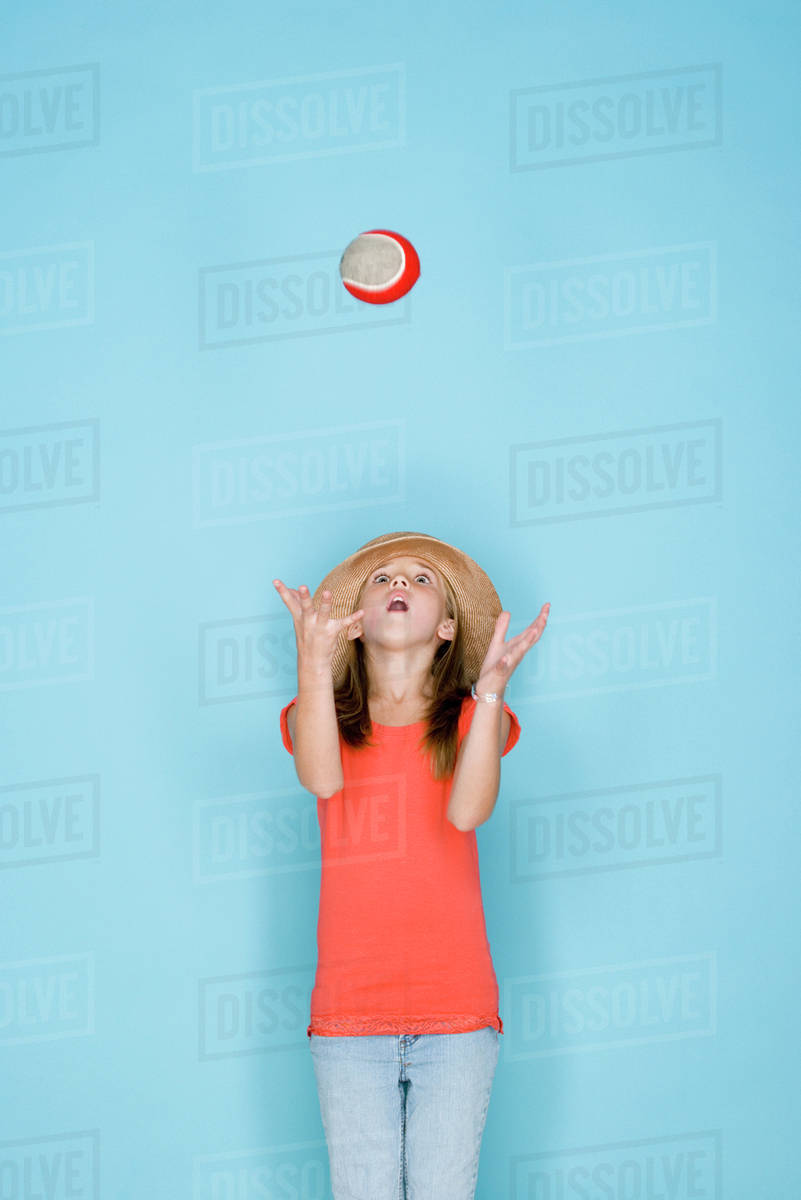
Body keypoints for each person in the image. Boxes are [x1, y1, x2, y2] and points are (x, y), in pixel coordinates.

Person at [273, 530, 550, 1200]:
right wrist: (314, 664)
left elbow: (466, 813)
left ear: (449, 627)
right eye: (382, 578)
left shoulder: (467, 717)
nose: (399, 583)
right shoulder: (324, 717)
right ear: (355, 621)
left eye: (421, 579)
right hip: (347, 1019)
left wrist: (487, 697)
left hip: (455, 1017)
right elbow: (320, 778)